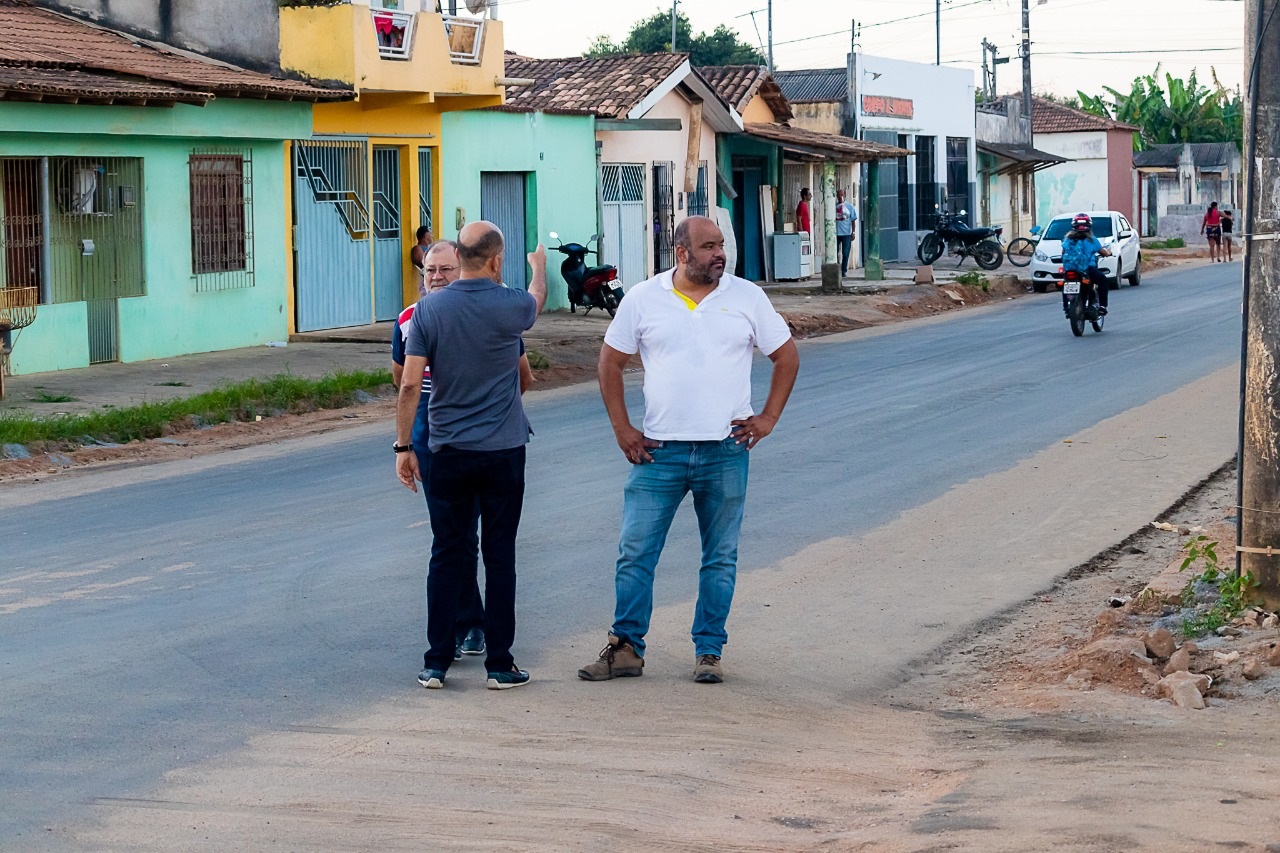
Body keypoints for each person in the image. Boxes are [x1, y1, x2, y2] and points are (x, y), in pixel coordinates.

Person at [578, 215, 800, 685]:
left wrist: (768, 419)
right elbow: (610, 362)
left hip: (725, 450)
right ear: (681, 253)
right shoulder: (643, 299)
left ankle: (709, 651)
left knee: (720, 556)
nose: (720, 254)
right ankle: (626, 648)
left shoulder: (746, 297)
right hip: (659, 452)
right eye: (708, 246)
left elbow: (786, 355)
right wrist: (622, 428)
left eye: (721, 245)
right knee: (635, 551)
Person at [396, 222, 547, 691]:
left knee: (446, 553)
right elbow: (538, 297)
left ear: (456, 259)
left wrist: (403, 446)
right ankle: (500, 665)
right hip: (503, 451)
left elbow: (407, 385)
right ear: (497, 261)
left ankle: (436, 662)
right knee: (500, 556)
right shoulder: (512, 307)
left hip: (445, 450)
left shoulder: (427, 311)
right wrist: (539, 267)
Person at [1060, 213, 1112, 316]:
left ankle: (1066, 307)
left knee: (1066, 284)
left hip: (1070, 269)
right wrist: (1109, 252)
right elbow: (1103, 252)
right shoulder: (1092, 239)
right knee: (1103, 280)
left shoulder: (1067, 239)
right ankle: (1102, 306)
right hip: (1086, 269)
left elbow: (1063, 252)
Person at [835, 189, 857, 277]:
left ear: (844, 195)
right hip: (836, 233)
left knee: (845, 252)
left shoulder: (849, 207)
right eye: (838, 195)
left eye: (841, 195)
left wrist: (853, 232)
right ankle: (836, 269)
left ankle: (843, 270)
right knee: (835, 252)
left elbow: (853, 220)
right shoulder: (834, 207)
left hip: (846, 233)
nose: (840, 197)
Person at [409, 226, 434, 295]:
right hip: (426, 281)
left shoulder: (429, 249)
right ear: (425, 235)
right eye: (430, 233)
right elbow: (421, 263)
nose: (432, 236)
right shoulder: (417, 249)